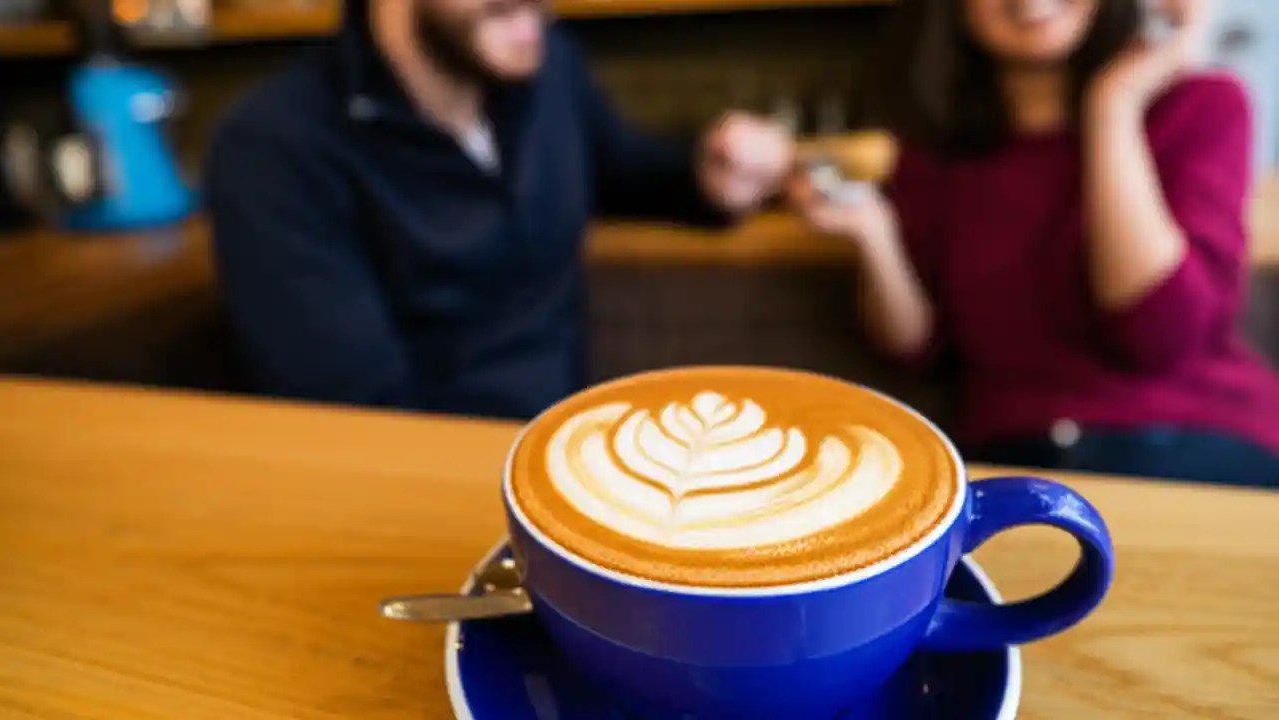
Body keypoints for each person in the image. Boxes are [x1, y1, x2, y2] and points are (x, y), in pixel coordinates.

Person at [206, 0, 792, 419]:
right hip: (425, 501)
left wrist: (705, 177)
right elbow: (354, 419)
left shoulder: (546, 66)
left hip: (567, 453)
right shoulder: (275, 150)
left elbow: (623, 169)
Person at [792, 0, 1279, 485]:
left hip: (1199, 436)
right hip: (1013, 457)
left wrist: (1112, 107)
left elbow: (1156, 335)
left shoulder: (1205, 106)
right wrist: (876, 235)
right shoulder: (935, 154)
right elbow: (916, 349)